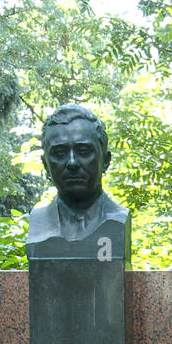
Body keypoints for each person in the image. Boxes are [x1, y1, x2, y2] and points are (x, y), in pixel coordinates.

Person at [27, 103, 128, 246]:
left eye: (84, 151)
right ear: (46, 165)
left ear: (105, 161)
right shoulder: (38, 222)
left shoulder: (118, 219)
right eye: (60, 153)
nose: (72, 163)